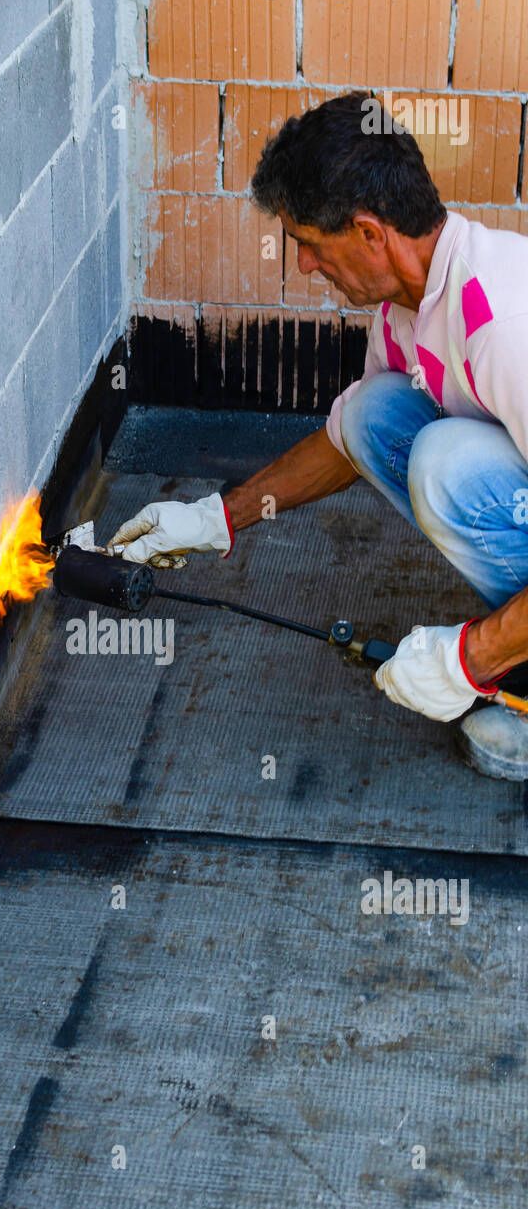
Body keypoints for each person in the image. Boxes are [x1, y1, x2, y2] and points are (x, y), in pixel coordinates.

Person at [108, 92, 528, 778]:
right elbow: (344, 445)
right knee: (372, 412)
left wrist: (469, 658)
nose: (304, 265)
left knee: (448, 465)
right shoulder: (411, 309)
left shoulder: (505, 326)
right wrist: (218, 518)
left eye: (309, 244)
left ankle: (512, 659)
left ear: (370, 233)